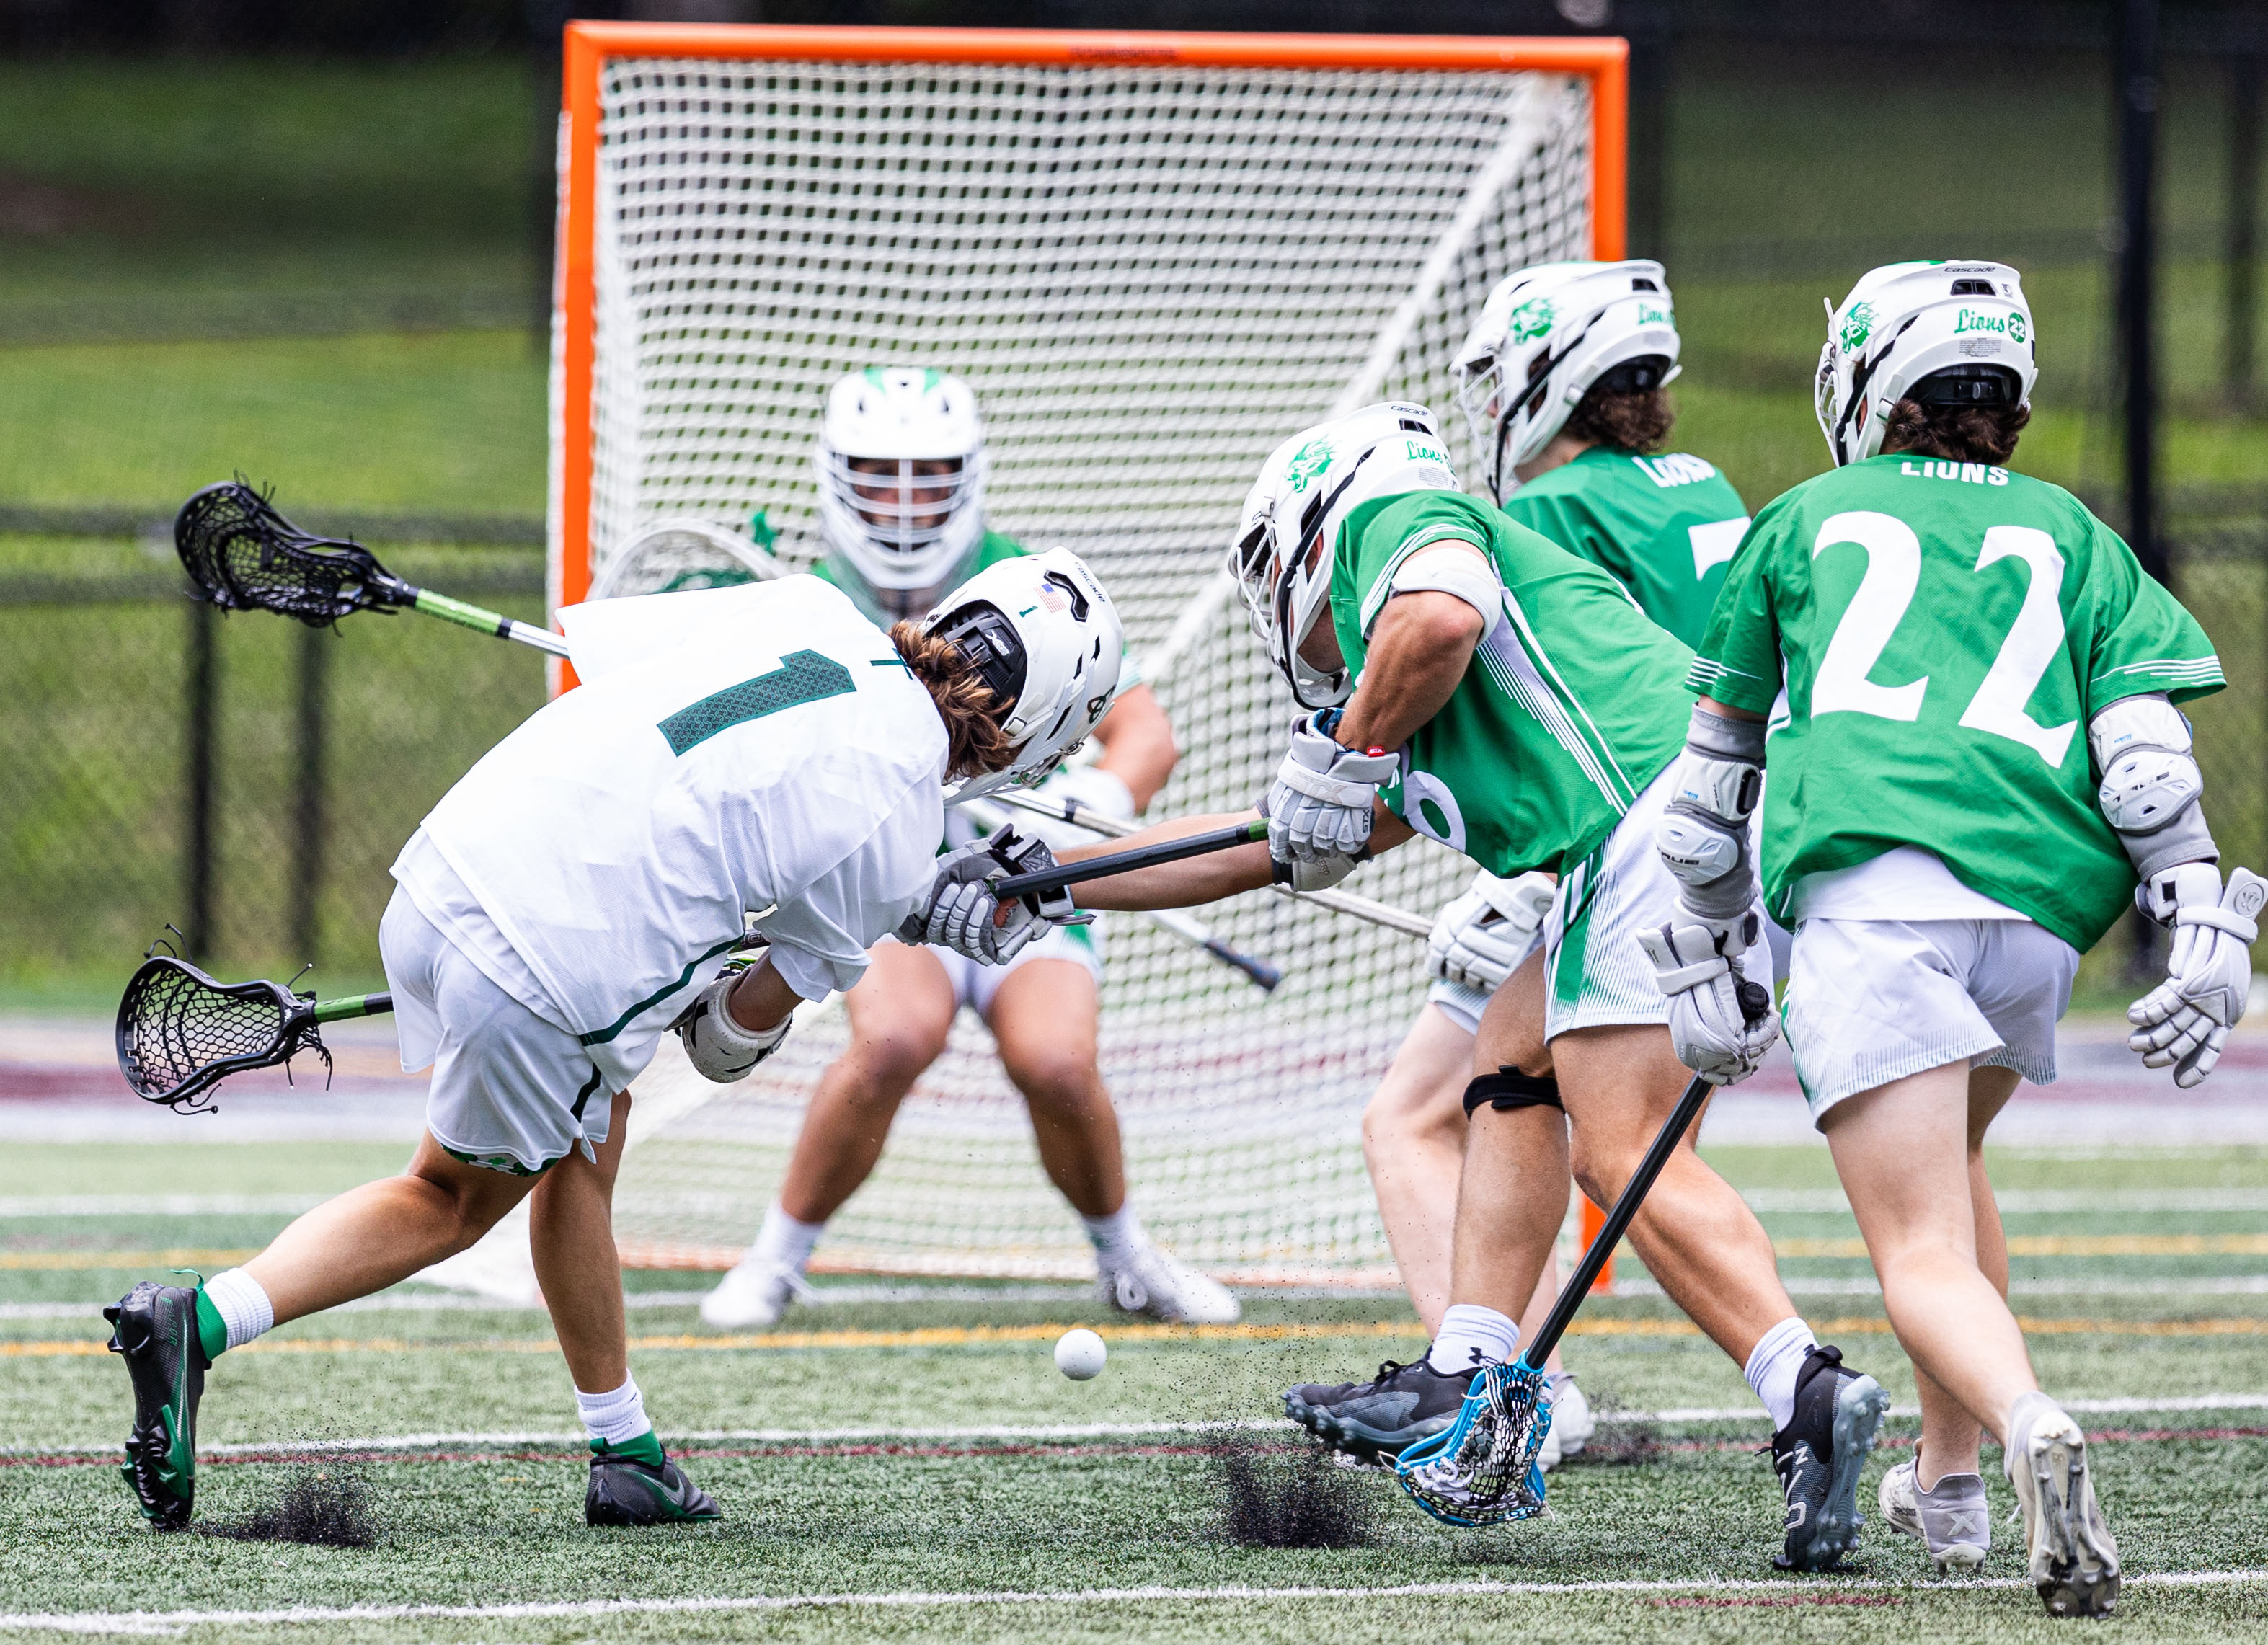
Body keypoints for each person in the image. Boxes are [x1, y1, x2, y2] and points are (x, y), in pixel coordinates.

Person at [104, 549, 1122, 1533]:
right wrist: (867, 924)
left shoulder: (810, 610)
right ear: (1036, 730)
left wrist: (725, 936)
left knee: (591, 1123)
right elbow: (727, 1044)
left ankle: (626, 1451)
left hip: (450, 858)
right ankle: (200, 1319)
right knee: (451, 1198)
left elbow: (649, 707)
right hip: (558, 958)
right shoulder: (898, 833)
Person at [1037, 401, 1887, 1571]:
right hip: (1700, 812)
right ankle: (1473, 1373)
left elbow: (1435, 614)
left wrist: (1341, 751)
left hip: (1656, 819)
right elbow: (1251, 848)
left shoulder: (1407, 523)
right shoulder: (1419, 707)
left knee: (1622, 1147)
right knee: (1508, 1052)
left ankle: (1800, 1382)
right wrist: (1043, 882)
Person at [1667, 260, 2249, 1616]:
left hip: (1880, 902)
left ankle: (2028, 1419)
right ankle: (1949, 1476)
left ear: (1871, 379)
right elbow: (2149, 770)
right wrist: (2200, 919)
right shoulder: (2076, 531)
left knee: (1915, 1247)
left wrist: (1711, 956)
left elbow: (1706, 808)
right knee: (1959, 1167)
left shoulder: (1802, 516)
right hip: (2035, 921)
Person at [1297, 260, 1752, 1471]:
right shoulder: (1694, 483)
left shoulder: (1551, 511)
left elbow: (1573, 707)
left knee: (1419, 1114)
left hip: (1613, 855)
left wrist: (1521, 885)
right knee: (1561, 1111)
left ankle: (1501, 1395)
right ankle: (1503, 1383)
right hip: (1730, 831)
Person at [699, 368, 1235, 1329]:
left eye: (928, 476)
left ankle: (1127, 1257)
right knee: (898, 1037)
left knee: (1056, 1060)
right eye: (879, 476)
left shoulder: (1026, 580)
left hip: (1016, 883)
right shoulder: (805, 602)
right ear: (838, 479)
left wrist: (1078, 810)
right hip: (881, 888)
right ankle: (776, 1259)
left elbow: (1146, 733)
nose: (904, 502)